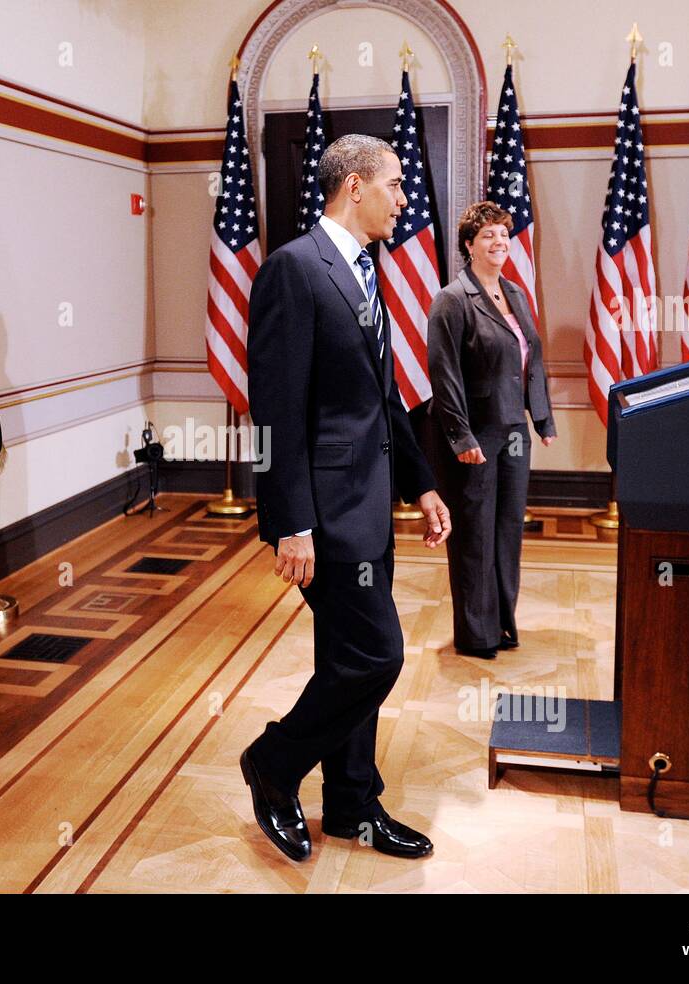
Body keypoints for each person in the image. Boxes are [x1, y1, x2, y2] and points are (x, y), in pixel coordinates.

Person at [243, 134, 452, 863]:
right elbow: (270, 414)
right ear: (355, 186)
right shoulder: (293, 270)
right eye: (396, 186)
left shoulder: (366, 270)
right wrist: (290, 522)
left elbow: (381, 398)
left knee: (346, 659)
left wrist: (422, 483)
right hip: (325, 519)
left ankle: (353, 807)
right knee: (377, 655)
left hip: (371, 508)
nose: (404, 199)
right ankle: (273, 762)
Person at [426, 202, 557, 659]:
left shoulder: (516, 294)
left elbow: (532, 359)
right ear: (469, 244)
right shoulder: (452, 299)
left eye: (504, 234)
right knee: (474, 536)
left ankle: (502, 624)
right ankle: (476, 634)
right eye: (488, 236)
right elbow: (445, 377)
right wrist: (461, 439)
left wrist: (542, 419)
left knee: (507, 531)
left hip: (514, 431)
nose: (499, 242)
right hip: (474, 437)